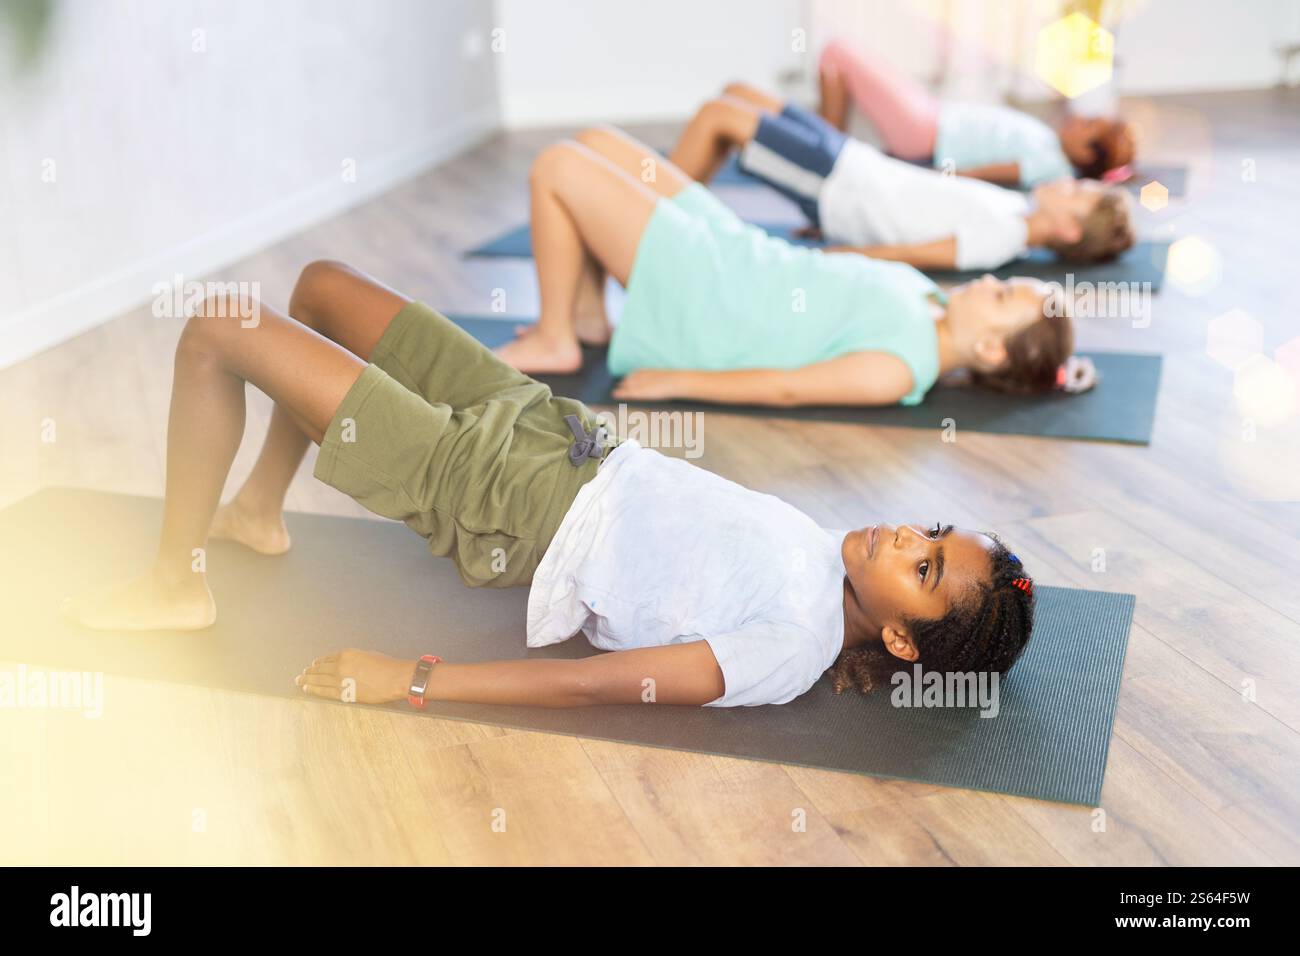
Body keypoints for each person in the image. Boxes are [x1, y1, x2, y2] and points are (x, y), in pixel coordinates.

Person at [61, 261, 1036, 708]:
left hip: (509, 501)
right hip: (556, 432)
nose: (906, 536)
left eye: (924, 565)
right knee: (318, 286)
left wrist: (414, 680)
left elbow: (603, 680)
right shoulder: (831, 561)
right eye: (932, 531)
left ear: (902, 634)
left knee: (218, 325)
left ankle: (175, 581)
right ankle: (258, 510)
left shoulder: (792, 644)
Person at [494, 126, 1093, 407]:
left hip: (711, 295)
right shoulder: (931, 302)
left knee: (557, 166)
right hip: (739, 251)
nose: (988, 282)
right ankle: (587, 316)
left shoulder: (898, 368)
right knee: (599, 143)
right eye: (1001, 281)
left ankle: (556, 340)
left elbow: (786, 389)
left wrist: (678, 381)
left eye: (999, 296)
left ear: (989, 350)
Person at [672, 82, 1135, 272]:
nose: (1067, 182)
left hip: (838, 185)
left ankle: (656, 221)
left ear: (1068, 229)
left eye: (1076, 192)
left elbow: (913, 254)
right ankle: (667, 204)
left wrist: (837, 250)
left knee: (720, 116)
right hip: (854, 162)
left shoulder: (1002, 236)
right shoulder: (1016, 209)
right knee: (739, 94)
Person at [817, 39, 1135, 187]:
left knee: (836, 54)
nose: (1079, 120)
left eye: (1089, 125)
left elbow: (986, 174)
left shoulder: (1051, 164)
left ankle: (822, 156)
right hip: (932, 116)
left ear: (1086, 153)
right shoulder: (1052, 149)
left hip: (926, 130)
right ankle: (823, 148)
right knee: (838, 58)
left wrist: (928, 178)